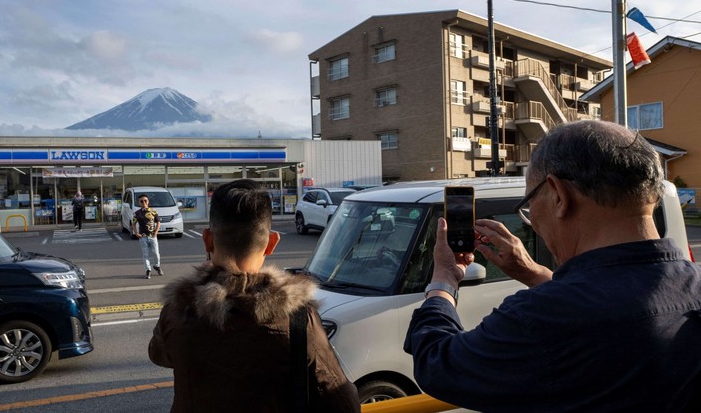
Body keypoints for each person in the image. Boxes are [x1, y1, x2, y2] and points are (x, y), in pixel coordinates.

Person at [405, 119, 701, 412]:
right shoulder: (694, 286)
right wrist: (535, 273)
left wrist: (444, 280)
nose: (532, 219)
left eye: (530, 203)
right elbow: (612, 302)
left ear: (558, 195)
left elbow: (438, 363)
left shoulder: (539, 318)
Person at [148, 179, 360, 413]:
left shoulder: (179, 309)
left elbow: (159, 354)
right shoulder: (298, 320)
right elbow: (344, 402)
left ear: (208, 239)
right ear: (271, 243)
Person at [132, 194, 163, 279]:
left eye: (145, 200)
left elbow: (158, 222)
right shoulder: (137, 213)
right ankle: (148, 270)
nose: (144, 202)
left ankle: (157, 266)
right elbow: (133, 224)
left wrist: (156, 232)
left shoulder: (153, 211)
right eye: (141, 201)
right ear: (139, 203)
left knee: (156, 253)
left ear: (148, 201)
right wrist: (136, 233)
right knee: (145, 255)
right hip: (143, 237)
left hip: (152, 236)